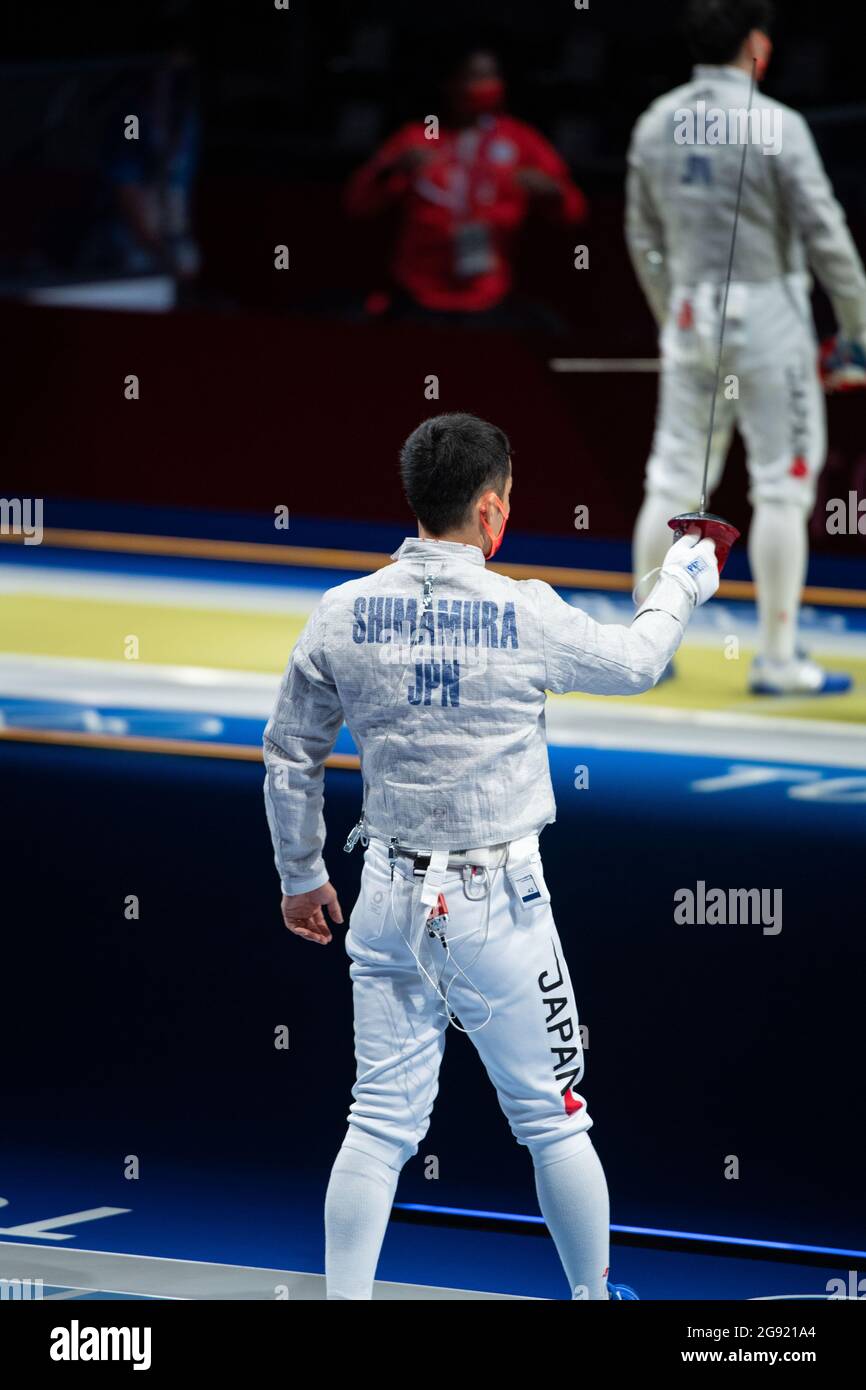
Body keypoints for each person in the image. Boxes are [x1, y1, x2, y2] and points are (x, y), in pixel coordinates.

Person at [263, 412, 719, 1300]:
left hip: (387, 897)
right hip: (496, 906)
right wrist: (683, 583)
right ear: (491, 513)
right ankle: (593, 1297)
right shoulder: (526, 611)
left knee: (379, 1122)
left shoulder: (341, 612)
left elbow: (290, 751)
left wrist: (300, 874)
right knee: (554, 1120)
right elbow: (637, 661)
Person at [626, 0, 866, 695]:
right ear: (757, 44)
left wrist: (670, 310)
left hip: (691, 312)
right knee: (782, 487)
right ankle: (780, 660)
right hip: (770, 322)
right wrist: (857, 331)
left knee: (671, 478)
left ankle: (647, 653)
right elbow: (827, 235)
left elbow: (644, 240)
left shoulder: (654, 122)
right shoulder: (778, 125)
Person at [345, 49, 586, 327]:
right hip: (418, 291)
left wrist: (552, 192)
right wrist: (391, 170)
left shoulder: (521, 140)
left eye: (490, 76)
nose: (484, 85)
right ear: (452, 83)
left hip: (489, 293)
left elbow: (574, 212)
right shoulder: (419, 137)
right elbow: (358, 204)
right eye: (474, 76)